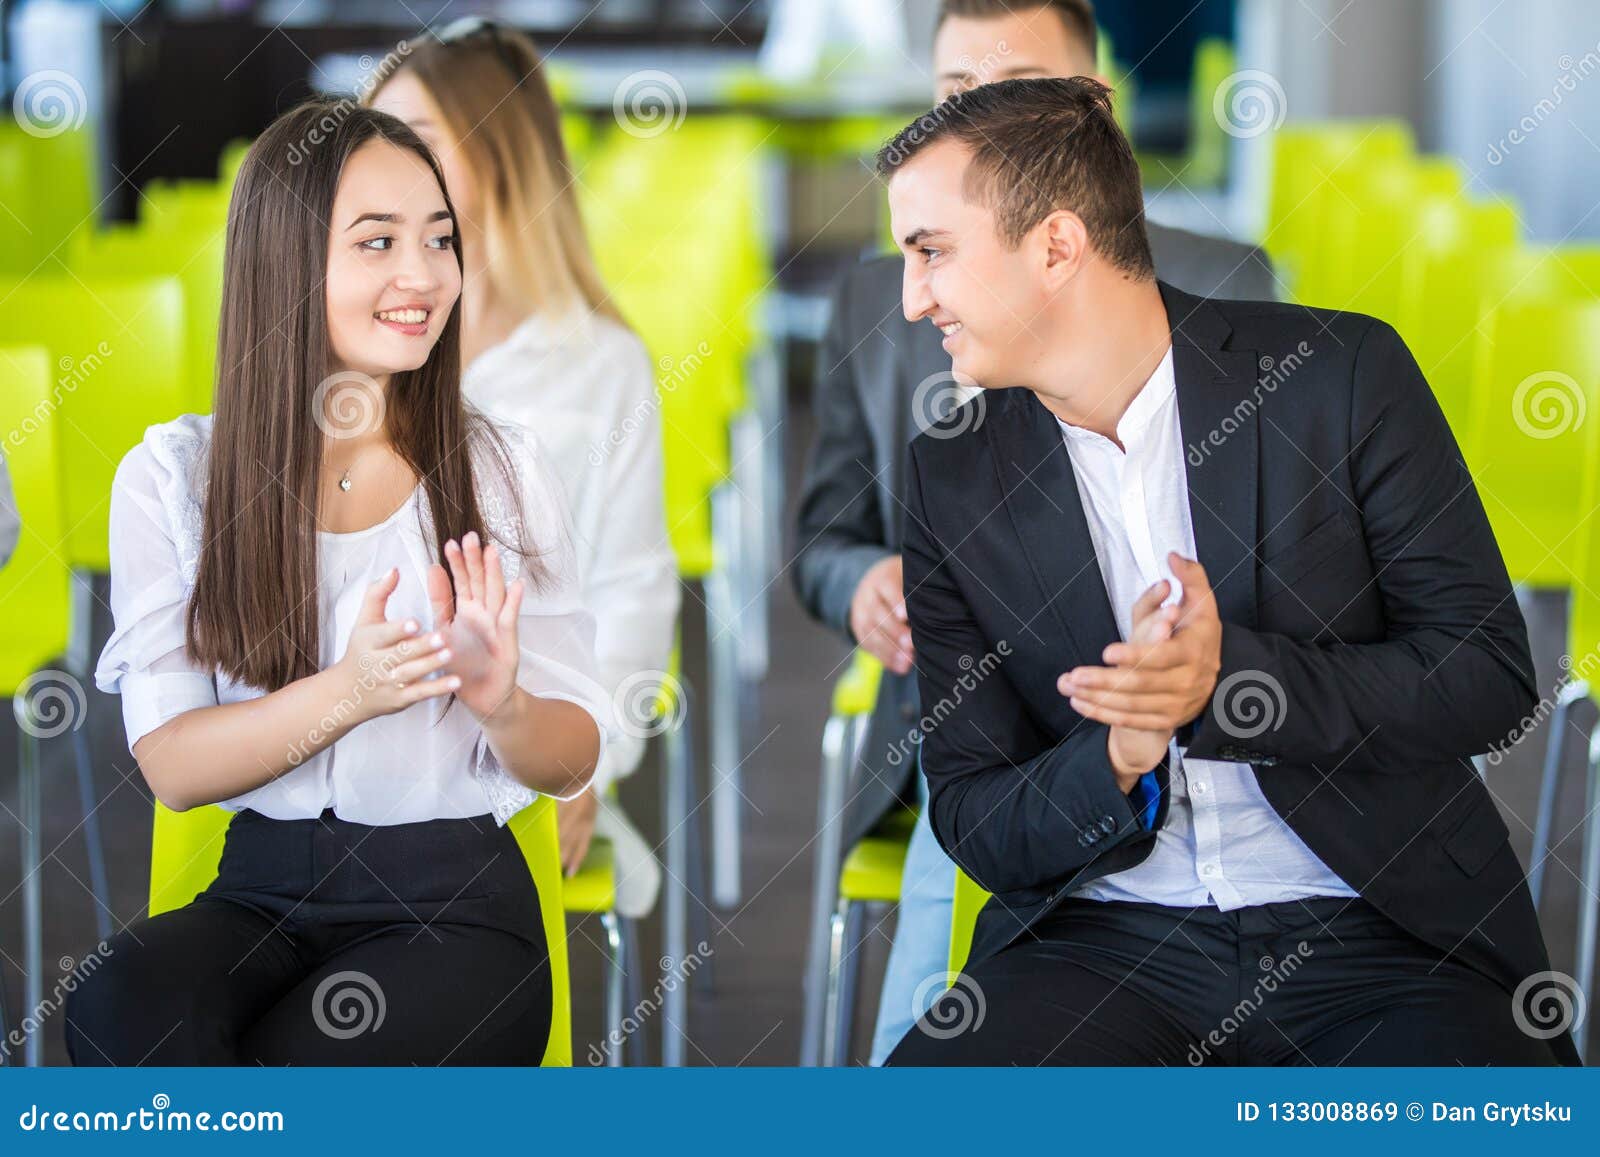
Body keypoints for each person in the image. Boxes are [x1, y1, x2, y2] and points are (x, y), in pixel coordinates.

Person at [876, 76, 1577, 1066]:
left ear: (1057, 246)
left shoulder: (1336, 375)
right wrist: (1115, 754)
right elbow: (971, 810)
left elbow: (1488, 678)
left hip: (1382, 933)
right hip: (1100, 946)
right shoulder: (953, 472)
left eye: (931, 253)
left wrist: (1230, 681)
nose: (911, 299)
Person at [63, 100, 613, 1066]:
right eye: (377, 242)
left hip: (458, 906)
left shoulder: (501, 470)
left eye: (440, 239)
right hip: (258, 896)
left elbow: (571, 757)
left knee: (296, 1065)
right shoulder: (173, 478)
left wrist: (503, 702)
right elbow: (175, 768)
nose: (424, 276)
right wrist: (349, 693)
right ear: (284, 263)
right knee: (119, 1009)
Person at [791, 0, 1279, 1065]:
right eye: (953, 98)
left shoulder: (1230, 283)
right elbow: (819, 535)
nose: (973, 127)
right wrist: (867, 577)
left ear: (1089, 112)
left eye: (1012, 98)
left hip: (1193, 712)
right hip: (965, 714)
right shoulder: (886, 301)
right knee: (958, 909)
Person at [368, 20, 678, 910]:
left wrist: (584, 771)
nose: (387, 177)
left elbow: (633, 594)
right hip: (360, 747)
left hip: (518, 757)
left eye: (418, 149)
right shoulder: (347, 343)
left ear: (498, 155)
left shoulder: (600, 361)